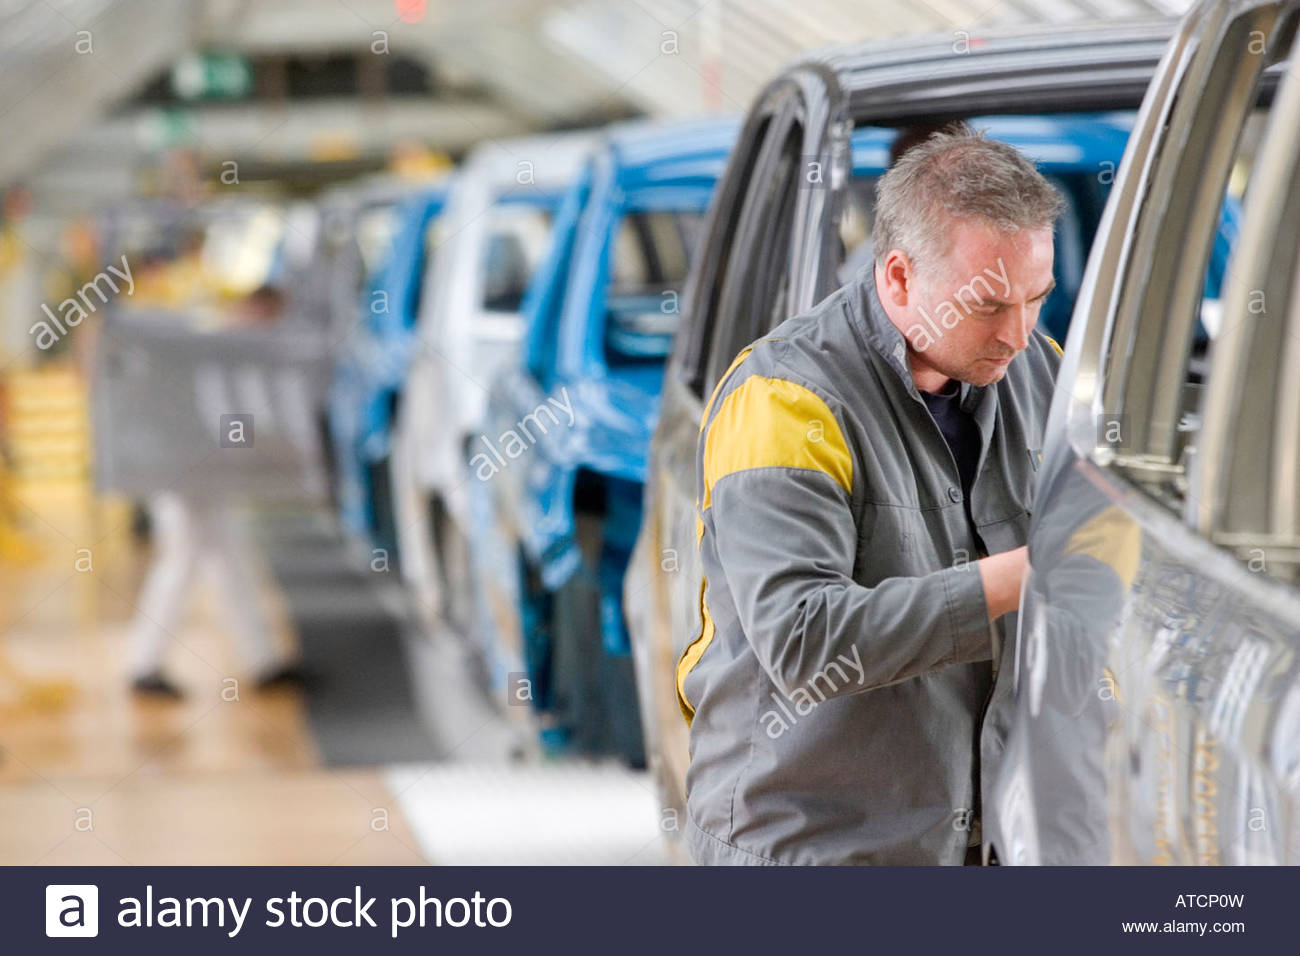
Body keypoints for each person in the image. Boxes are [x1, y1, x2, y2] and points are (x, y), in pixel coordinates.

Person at [677, 128, 1064, 865]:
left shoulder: (1038, 372)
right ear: (897, 278)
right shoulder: (785, 401)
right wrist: (1021, 579)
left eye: (1037, 299)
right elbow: (804, 641)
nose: (1017, 333)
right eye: (987, 304)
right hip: (811, 851)